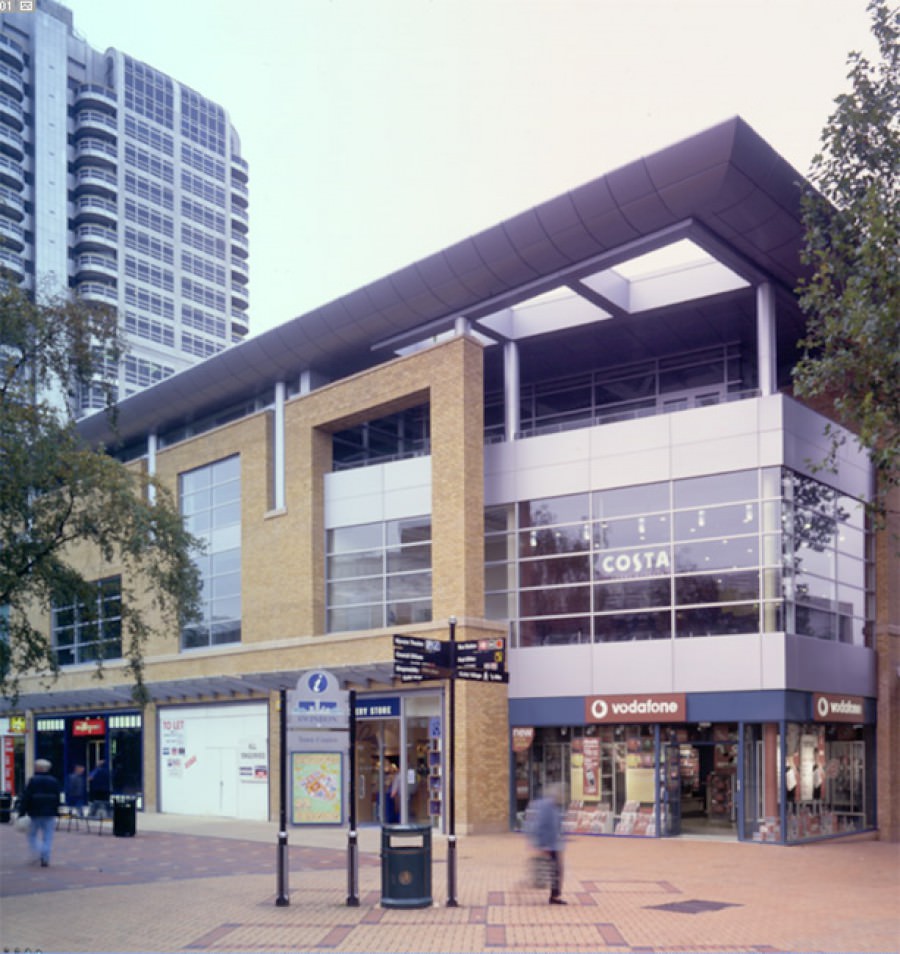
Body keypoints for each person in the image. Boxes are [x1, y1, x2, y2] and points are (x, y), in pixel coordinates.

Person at [530, 783, 567, 904]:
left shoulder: (554, 806)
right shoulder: (547, 806)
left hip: (553, 844)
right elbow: (540, 825)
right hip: (548, 844)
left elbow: (556, 826)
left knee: (556, 869)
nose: (563, 797)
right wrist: (542, 844)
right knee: (555, 870)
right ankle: (554, 896)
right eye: (562, 794)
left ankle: (554, 895)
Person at [20, 758, 61, 867]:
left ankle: (41, 850)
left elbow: (26, 797)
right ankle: (45, 857)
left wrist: (22, 812)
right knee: (48, 836)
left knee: (32, 835)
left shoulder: (33, 780)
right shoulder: (54, 781)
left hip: (35, 811)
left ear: (38, 768)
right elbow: (57, 797)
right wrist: (56, 809)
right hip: (50, 812)